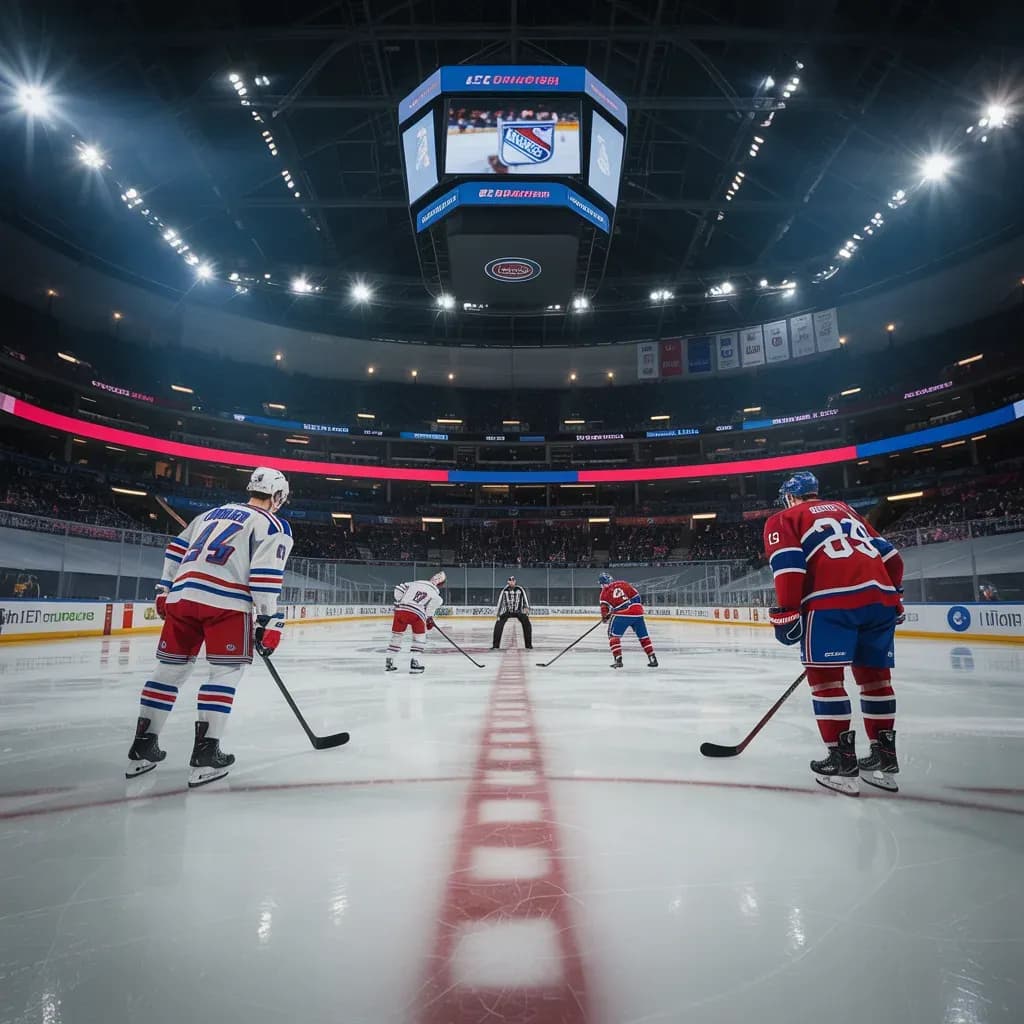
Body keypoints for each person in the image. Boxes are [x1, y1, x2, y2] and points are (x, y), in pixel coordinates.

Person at [125, 467, 293, 787]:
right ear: (277, 496)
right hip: (226, 605)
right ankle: (206, 754)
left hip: (183, 597)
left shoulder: (210, 514)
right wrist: (270, 618)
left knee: (168, 672)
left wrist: (164, 588)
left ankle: (142, 749)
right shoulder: (274, 524)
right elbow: (264, 576)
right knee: (225, 673)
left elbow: (176, 547)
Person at [763, 471, 904, 795]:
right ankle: (884, 759)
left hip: (831, 603)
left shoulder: (783, 518)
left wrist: (786, 612)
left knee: (826, 682)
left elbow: (789, 566)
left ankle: (842, 764)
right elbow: (893, 559)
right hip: (879, 599)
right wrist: (894, 595)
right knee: (876, 681)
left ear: (790, 497)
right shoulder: (847, 510)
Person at [386, 571, 446, 673]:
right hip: (417, 615)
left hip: (401, 611)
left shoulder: (413, 583)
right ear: (440, 585)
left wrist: (402, 601)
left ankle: (390, 660)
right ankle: (415, 662)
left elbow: (398, 589)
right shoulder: (435, 595)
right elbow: (432, 607)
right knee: (419, 638)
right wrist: (429, 618)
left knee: (397, 636)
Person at [598, 572, 658, 669]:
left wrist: (605, 617)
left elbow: (604, 609)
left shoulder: (603, 593)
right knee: (643, 636)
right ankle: (652, 658)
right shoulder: (623, 583)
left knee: (613, 636)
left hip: (622, 613)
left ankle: (618, 659)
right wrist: (633, 607)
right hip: (637, 611)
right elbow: (636, 597)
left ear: (602, 583)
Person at [492, 574, 532, 649]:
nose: (511, 582)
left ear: (515, 582)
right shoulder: (504, 590)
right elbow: (500, 601)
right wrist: (498, 614)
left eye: (513, 581)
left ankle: (528, 645)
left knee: (527, 623)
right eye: (510, 581)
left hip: (518, 611)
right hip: (507, 611)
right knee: (498, 624)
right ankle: (495, 645)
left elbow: (525, 599)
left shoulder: (520, 589)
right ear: (508, 582)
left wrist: (527, 609)